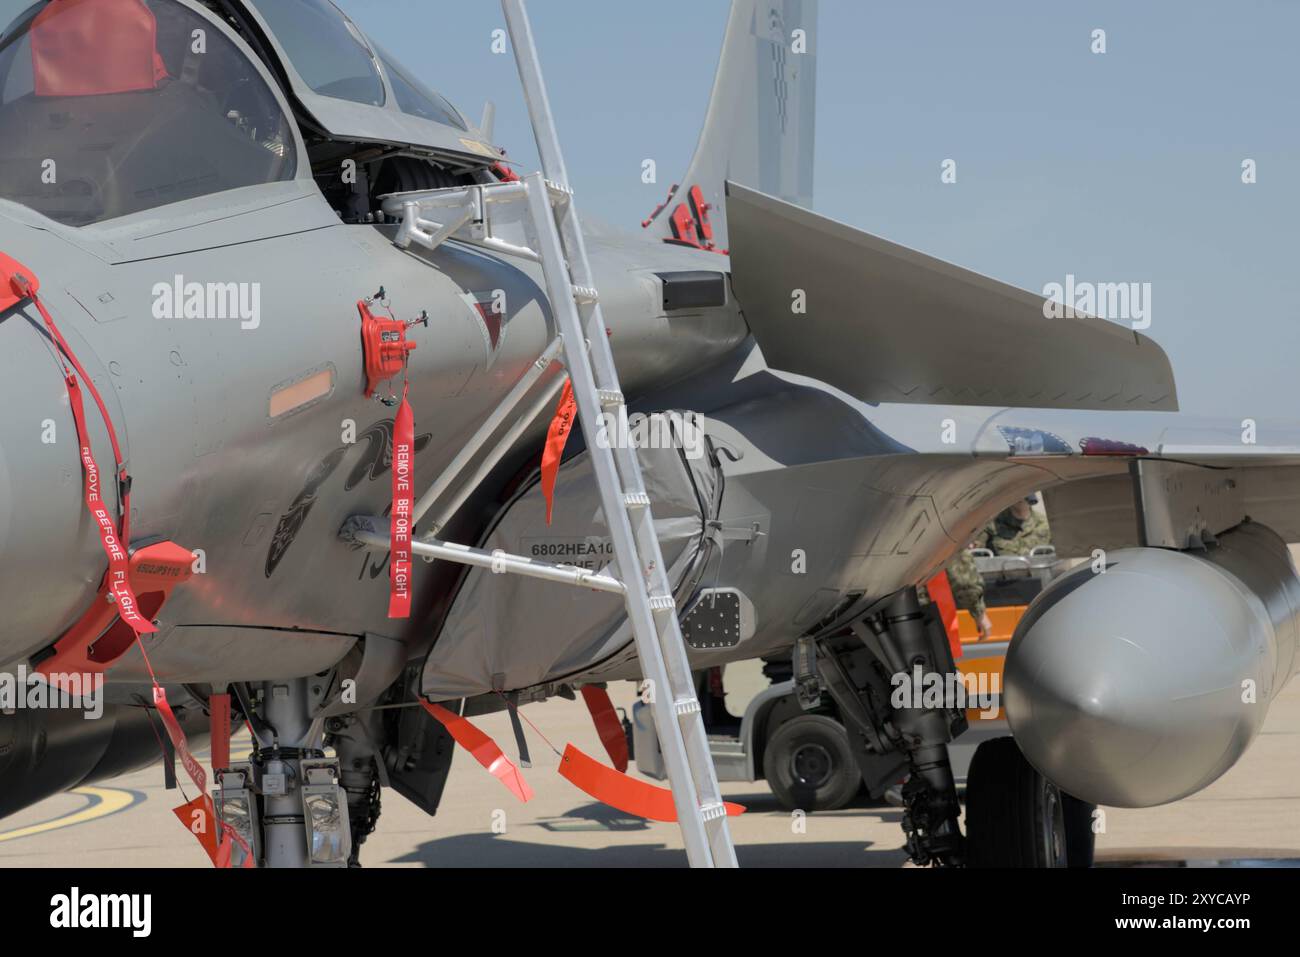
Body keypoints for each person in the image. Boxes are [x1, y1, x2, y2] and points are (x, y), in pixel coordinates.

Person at [981, 495, 1051, 557]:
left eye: (1025, 496)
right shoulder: (992, 526)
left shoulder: (1046, 525)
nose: (1021, 499)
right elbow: (977, 555)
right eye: (1018, 495)